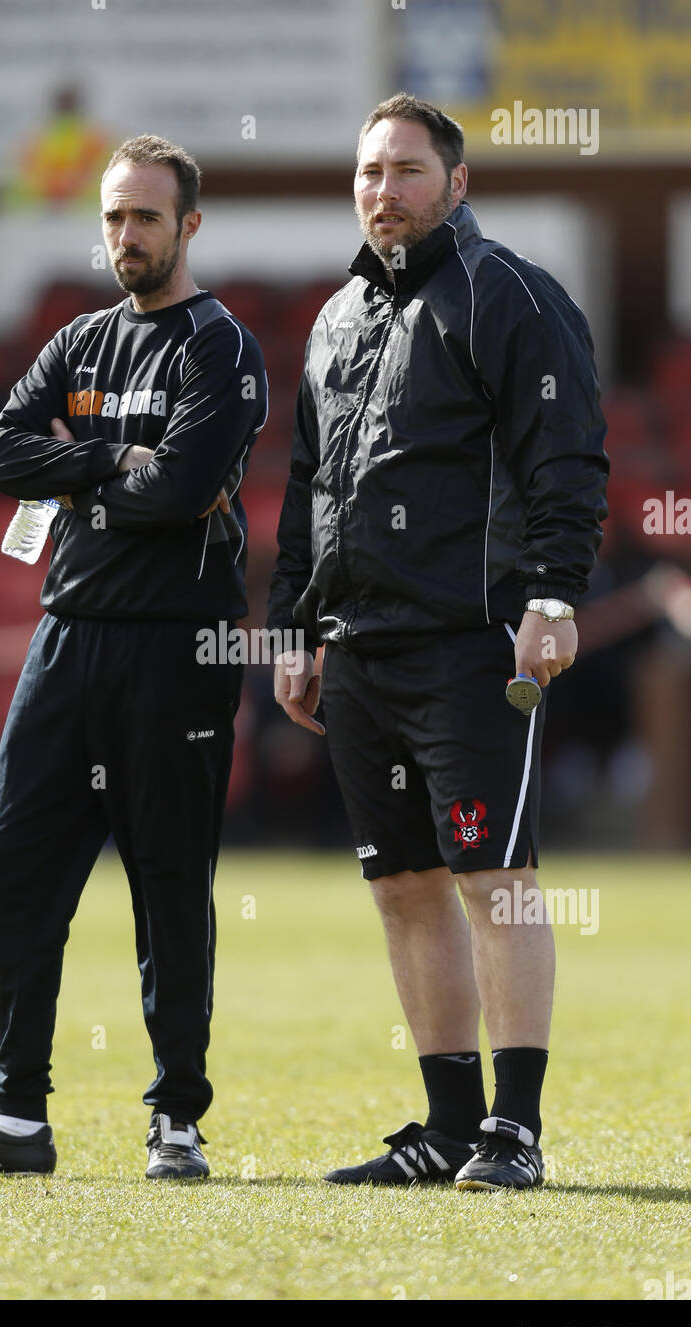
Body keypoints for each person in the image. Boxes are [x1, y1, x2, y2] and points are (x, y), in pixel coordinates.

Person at [0, 134, 267, 1182]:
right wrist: (108, 457)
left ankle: (176, 1118)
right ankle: (16, 1119)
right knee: (10, 864)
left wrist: (97, 477)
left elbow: (184, 490)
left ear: (189, 225)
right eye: (112, 218)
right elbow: (1, 456)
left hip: (173, 648)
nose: (126, 236)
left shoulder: (222, 347)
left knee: (169, 885)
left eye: (147, 216)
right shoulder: (79, 341)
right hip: (68, 640)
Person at [267, 94, 608, 1191]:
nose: (386, 191)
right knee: (405, 886)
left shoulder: (508, 294)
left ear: (456, 185)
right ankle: (448, 1126)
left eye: (408, 172)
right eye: (370, 173)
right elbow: (308, 488)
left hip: (471, 644)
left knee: (495, 880)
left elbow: (566, 454)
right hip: (360, 648)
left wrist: (554, 593)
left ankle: (517, 1129)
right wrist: (295, 627)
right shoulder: (335, 319)